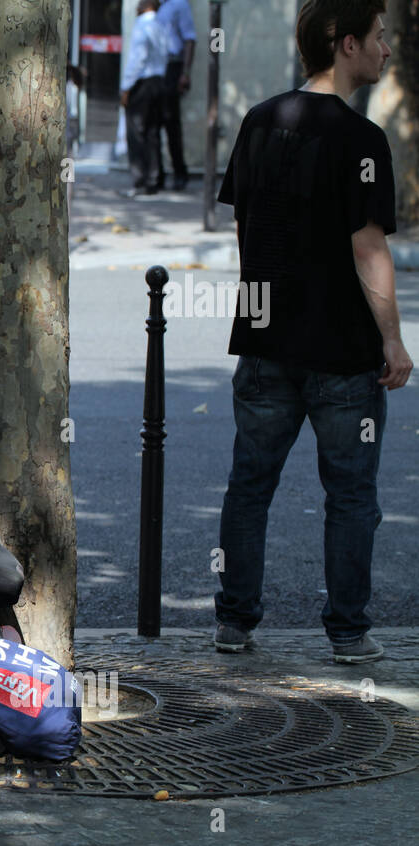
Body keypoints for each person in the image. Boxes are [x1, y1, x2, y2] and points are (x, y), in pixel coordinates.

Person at [214, 0, 412, 665]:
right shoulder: (361, 141)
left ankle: (234, 624)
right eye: (379, 39)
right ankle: (349, 633)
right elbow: (368, 248)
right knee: (351, 497)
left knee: (250, 487)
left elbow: (245, 228)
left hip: (267, 341)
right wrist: (394, 340)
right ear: (345, 43)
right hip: (342, 351)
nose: (386, 51)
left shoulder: (260, 121)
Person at [119, 0, 168, 197]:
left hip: (142, 83)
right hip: (158, 81)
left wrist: (125, 87)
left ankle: (139, 181)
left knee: (136, 133)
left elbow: (137, 58)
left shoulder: (142, 24)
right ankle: (153, 180)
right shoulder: (160, 24)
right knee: (152, 133)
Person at [156, 0, 196, 191]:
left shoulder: (179, 4)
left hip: (172, 66)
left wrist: (185, 73)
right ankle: (157, 174)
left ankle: (180, 173)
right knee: (152, 123)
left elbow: (190, 39)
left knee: (171, 123)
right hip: (155, 67)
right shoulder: (156, 5)